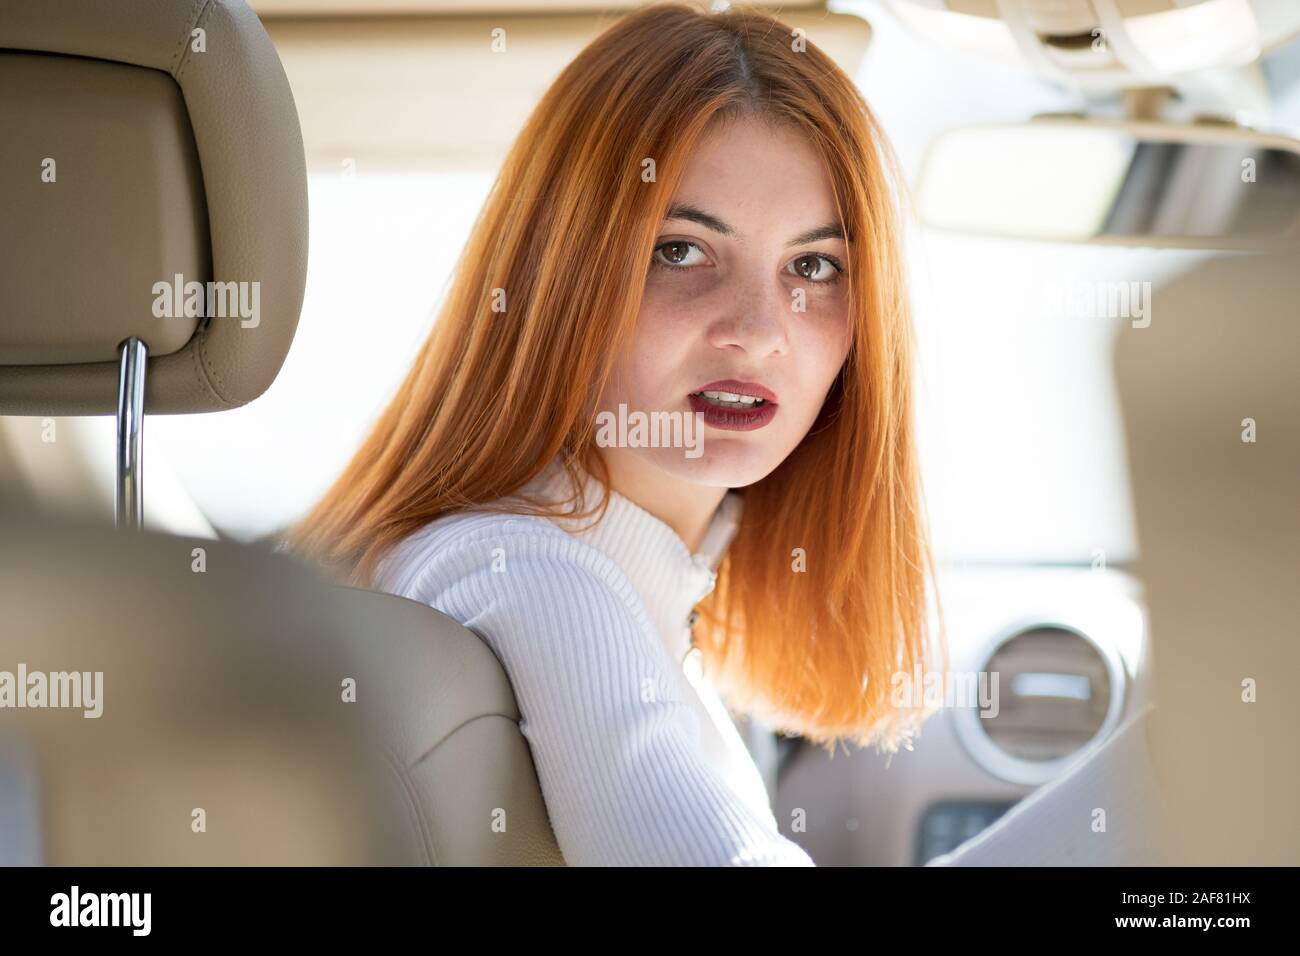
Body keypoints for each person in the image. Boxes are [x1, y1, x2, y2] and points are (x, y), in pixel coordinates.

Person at [282, 1, 941, 866]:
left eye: (812, 266)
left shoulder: (610, 590)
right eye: (680, 250)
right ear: (558, 274)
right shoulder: (530, 574)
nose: (757, 328)